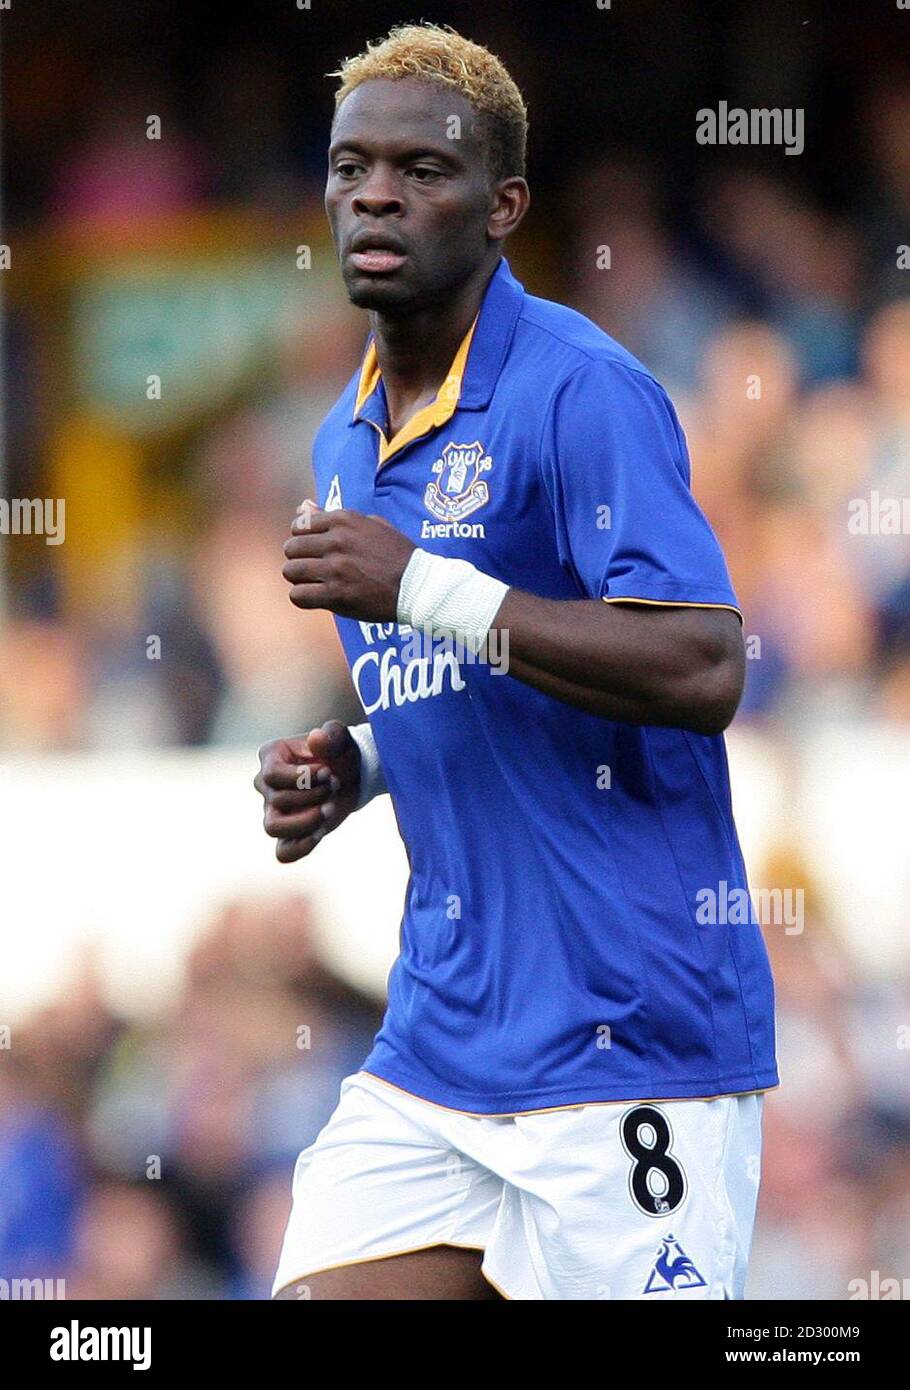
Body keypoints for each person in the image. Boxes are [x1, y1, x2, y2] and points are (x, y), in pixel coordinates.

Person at [254, 21, 778, 1301]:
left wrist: (421, 586)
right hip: (445, 1038)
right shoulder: (342, 437)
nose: (374, 193)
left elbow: (705, 667)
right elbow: (473, 678)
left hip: (627, 1038)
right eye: (349, 167)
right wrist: (363, 761)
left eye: (421, 171)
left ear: (502, 207)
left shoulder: (581, 392)